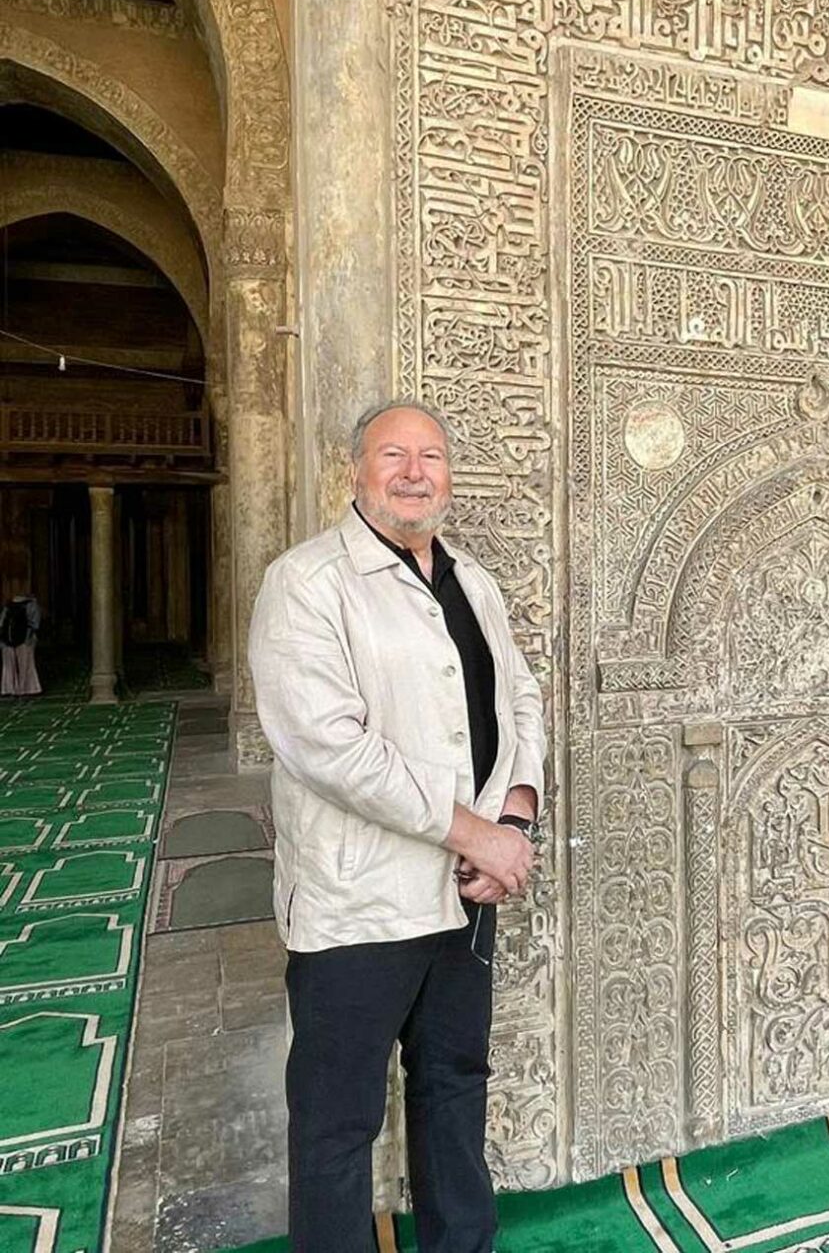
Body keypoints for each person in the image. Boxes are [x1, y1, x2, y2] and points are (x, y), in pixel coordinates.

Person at [249, 400, 546, 1253]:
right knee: (338, 1123)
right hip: (358, 906)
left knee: (454, 1085)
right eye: (394, 454)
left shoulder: (471, 581)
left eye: (432, 457)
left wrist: (514, 815)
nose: (415, 472)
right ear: (356, 471)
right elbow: (328, 747)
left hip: (462, 897)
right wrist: (473, 832)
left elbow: (520, 698)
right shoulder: (306, 582)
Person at [0, 593, 41, 697]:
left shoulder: (8, 606)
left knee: (9, 666)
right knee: (25, 665)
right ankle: (28, 688)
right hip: (22, 640)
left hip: (9, 640)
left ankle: (9, 689)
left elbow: (1, 623)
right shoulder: (31, 605)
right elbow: (35, 624)